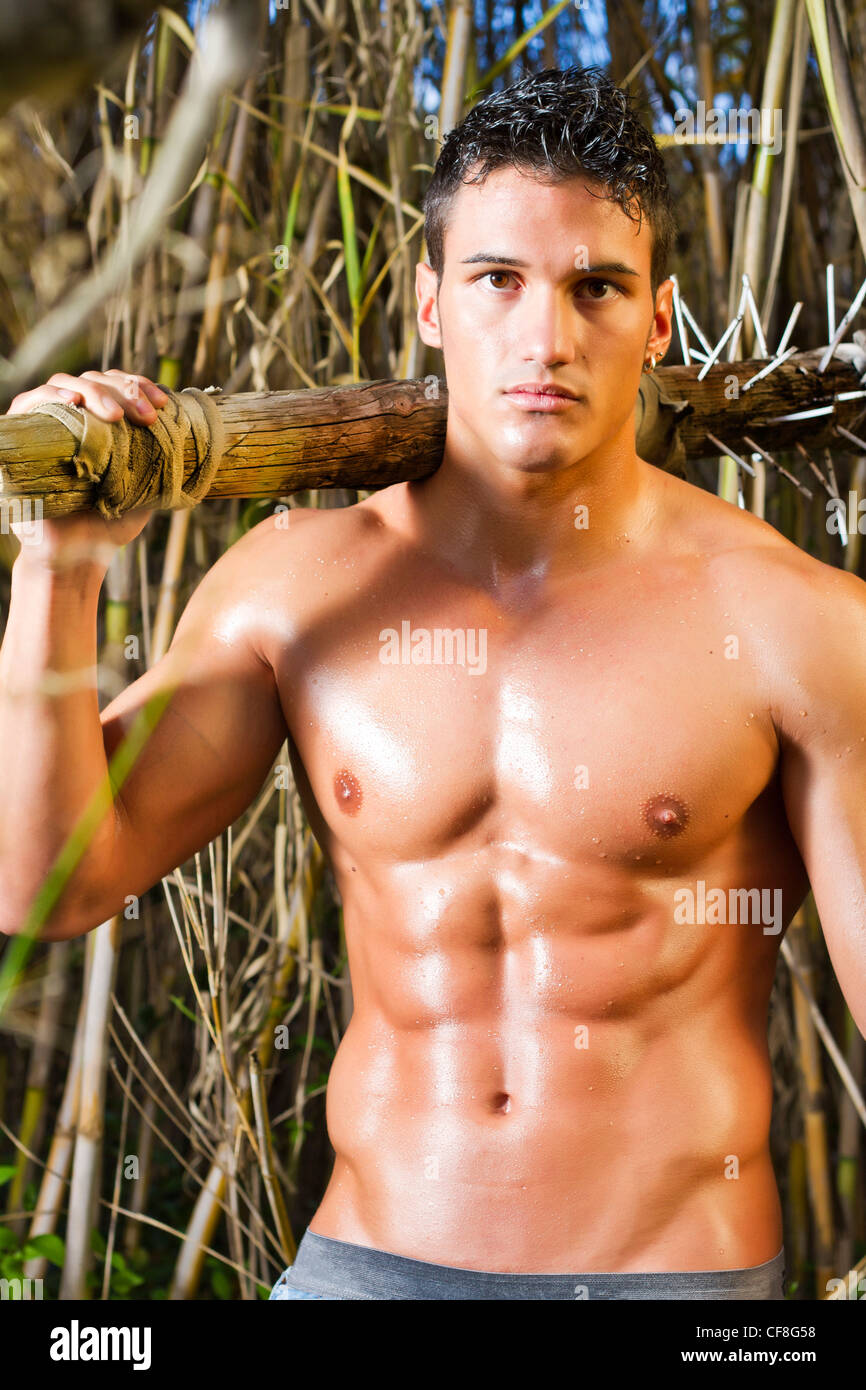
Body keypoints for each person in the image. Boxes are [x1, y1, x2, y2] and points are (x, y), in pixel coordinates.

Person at [2, 64, 864, 1302]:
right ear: (426, 303)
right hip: (365, 1269)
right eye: (497, 281)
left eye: (596, 289)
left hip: (673, 1286)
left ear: (659, 320)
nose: (544, 339)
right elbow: (45, 884)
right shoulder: (296, 589)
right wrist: (62, 570)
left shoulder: (793, 625)